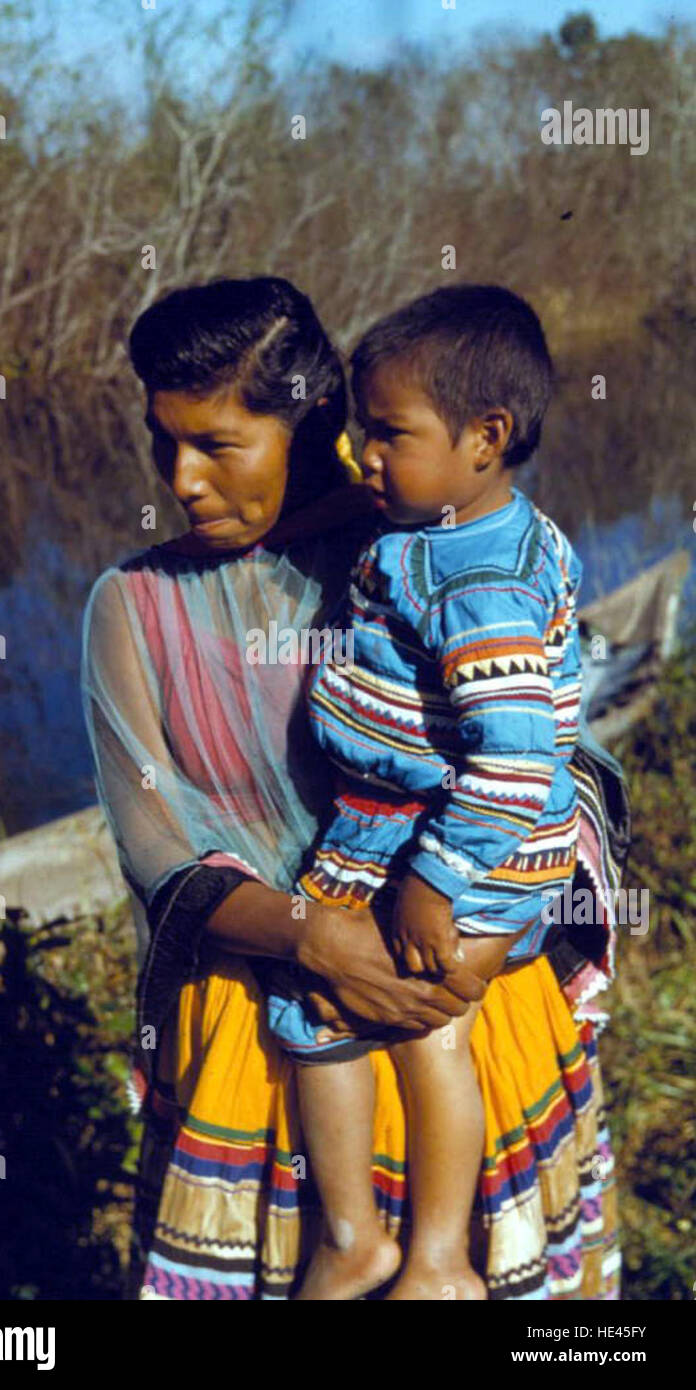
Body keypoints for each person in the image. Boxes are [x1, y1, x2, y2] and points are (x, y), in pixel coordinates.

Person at [80, 276, 627, 1301]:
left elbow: (559, 763)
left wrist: (477, 929)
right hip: (263, 1031)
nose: (181, 479)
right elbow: (156, 855)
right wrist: (313, 936)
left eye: (219, 445)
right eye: (167, 443)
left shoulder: (410, 550)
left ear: (314, 429)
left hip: (455, 998)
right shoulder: (132, 607)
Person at [264, 286, 587, 1301]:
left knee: (323, 1010)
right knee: (433, 1026)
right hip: (479, 838)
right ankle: (437, 1257)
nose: (366, 454)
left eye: (389, 434)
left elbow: (513, 758)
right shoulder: (464, 524)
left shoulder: (478, 583)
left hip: (443, 840)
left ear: (485, 437)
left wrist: (435, 884)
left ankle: (371, 1239)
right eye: (362, 431)